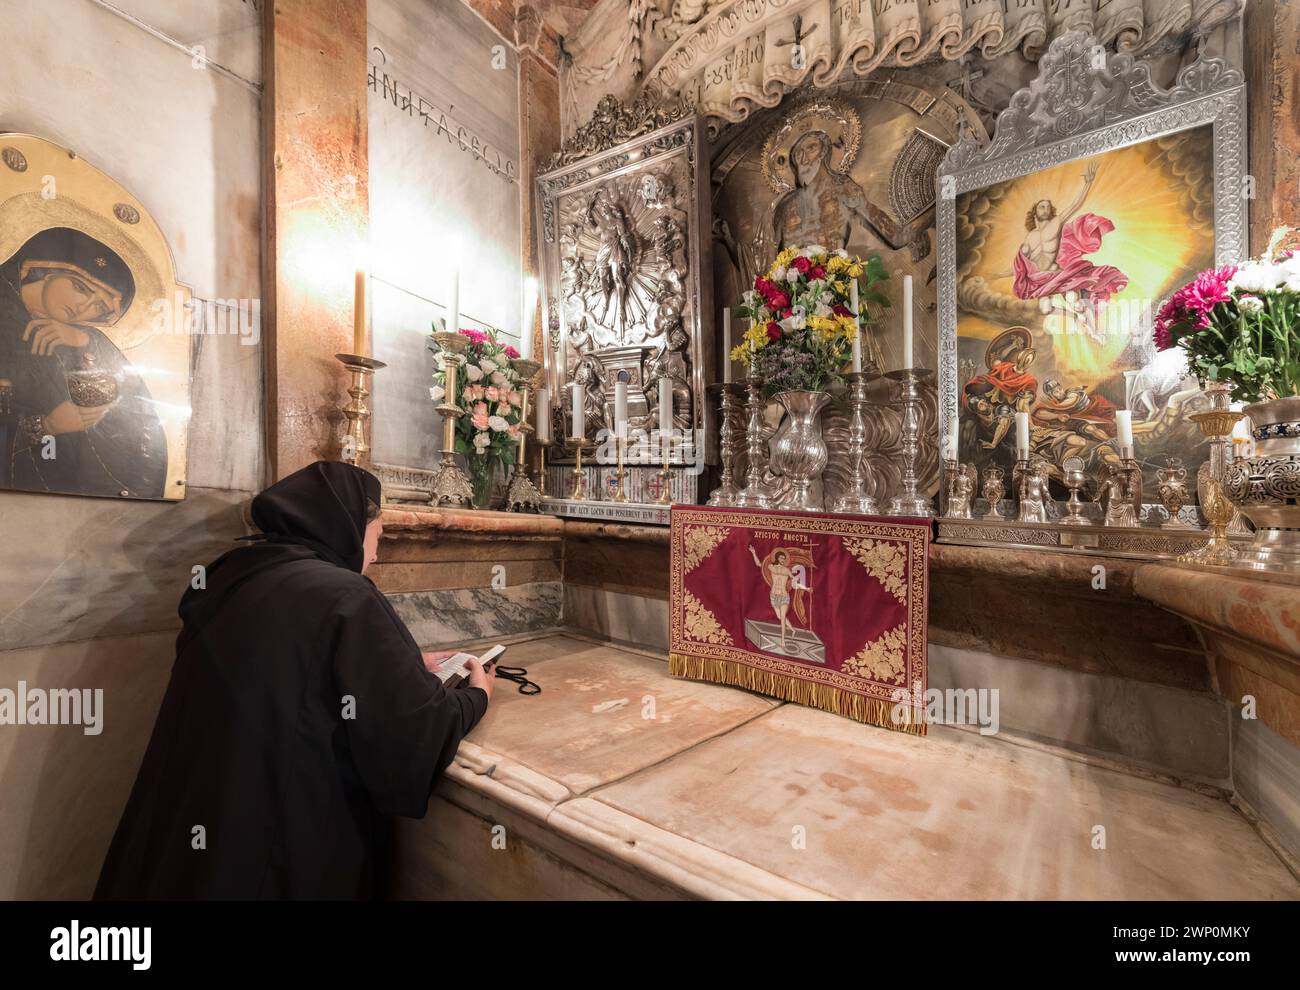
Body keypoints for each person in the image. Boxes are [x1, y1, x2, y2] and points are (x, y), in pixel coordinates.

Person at [94, 461, 495, 899]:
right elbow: (412, 733)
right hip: (277, 838)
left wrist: (396, 662)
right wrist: (476, 695)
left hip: (194, 815)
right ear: (347, 526)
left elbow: (282, 662)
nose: (377, 554)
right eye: (378, 535)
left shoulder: (235, 574)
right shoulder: (346, 593)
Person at [0, 227, 167, 497]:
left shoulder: (80, 338)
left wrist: (87, 340)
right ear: (40, 269)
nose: (83, 308)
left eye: (99, 307)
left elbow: (137, 412)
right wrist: (46, 426)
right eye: (80, 288)